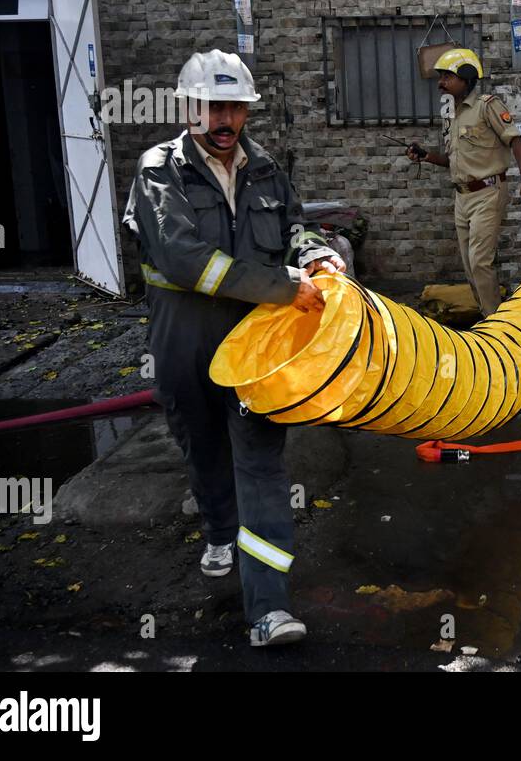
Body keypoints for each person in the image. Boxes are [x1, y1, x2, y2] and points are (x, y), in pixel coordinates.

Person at [123, 49, 344, 645]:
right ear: (189, 107)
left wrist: (317, 253)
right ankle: (220, 529)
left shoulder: (267, 170)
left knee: (263, 468)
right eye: (212, 106)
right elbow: (179, 256)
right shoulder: (158, 170)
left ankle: (269, 610)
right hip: (183, 338)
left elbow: (296, 226)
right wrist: (282, 286)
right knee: (203, 450)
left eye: (235, 108)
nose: (225, 119)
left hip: (255, 343)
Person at [406, 48, 521, 318]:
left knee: (480, 260)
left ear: (466, 79)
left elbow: (514, 139)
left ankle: (494, 323)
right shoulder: (450, 115)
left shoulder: (486, 106)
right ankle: (485, 313)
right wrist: (426, 156)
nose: (441, 83)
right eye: (441, 77)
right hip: (462, 197)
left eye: (447, 76)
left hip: (488, 192)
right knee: (470, 264)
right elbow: (454, 161)